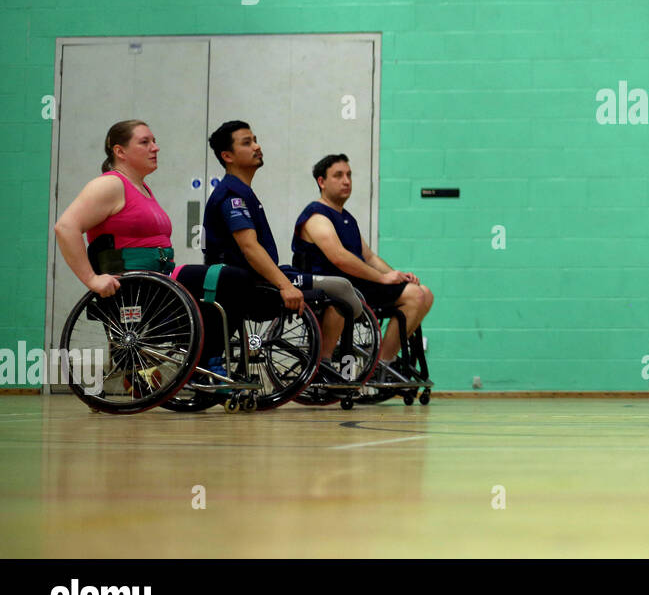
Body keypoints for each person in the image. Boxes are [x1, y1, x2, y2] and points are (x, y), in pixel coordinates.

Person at [52, 119, 263, 391]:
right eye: (145, 142)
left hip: (162, 279)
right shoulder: (109, 186)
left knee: (233, 284)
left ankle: (200, 360)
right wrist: (92, 279)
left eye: (154, 141)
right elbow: (66, 227)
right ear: (120, 151)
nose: (155, 147)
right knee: (234, 279)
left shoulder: (142, 188)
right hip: (138, 284)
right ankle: (202, 362)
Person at [203, 121, 362, 362]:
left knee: (346, 292)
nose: (257, 146)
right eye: (247, 143)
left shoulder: (243, 191)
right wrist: (285, 286)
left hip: (261, 275)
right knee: (341, 289)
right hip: (249, 282)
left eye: (255, 139)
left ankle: (328, 349)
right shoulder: (232, 195)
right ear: (228, 156)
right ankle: (323, 362)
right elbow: (250, 248)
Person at [291, 153, 433, 365]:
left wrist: (397, 276)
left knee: (424, 293)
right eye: (338, 175)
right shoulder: (316, 215)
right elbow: (339, 258)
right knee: (414, 295)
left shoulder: (347, 218)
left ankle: (384, 360)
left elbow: (369, 257)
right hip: (331, 286)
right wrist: (382, 278)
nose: (346, 180)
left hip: (357, 285)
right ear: (321, 181)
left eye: (348, 175)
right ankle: (377, 363)